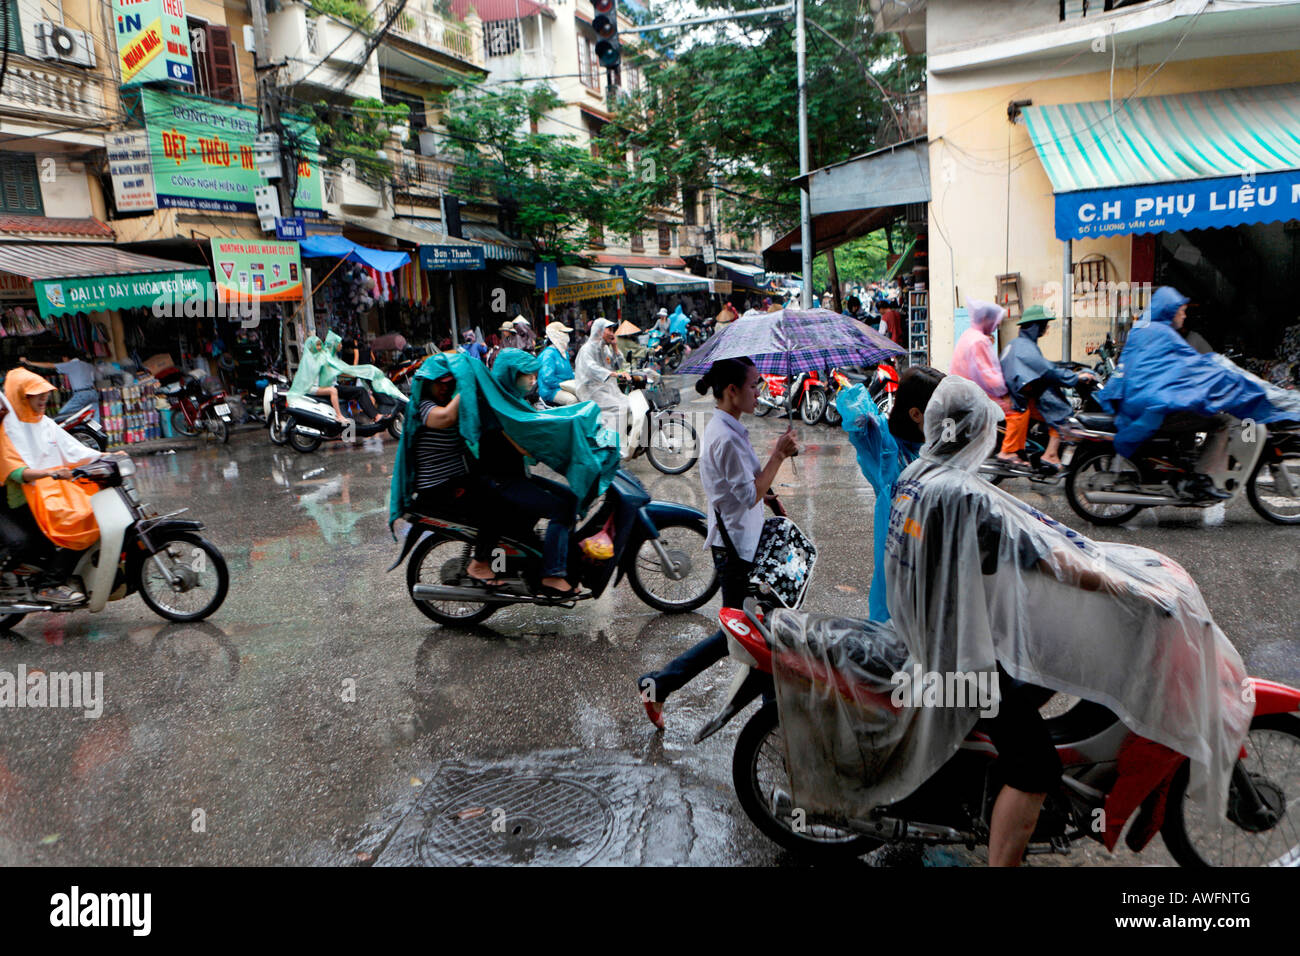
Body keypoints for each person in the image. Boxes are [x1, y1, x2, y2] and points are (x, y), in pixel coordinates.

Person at [882, 375, 1250, 864]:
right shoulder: (963, 495)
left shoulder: (920, 476)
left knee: (1048, 658)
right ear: (974, 431)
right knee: (1035, 768)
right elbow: (1052, 559)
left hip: (932, 638)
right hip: (962, 664)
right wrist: (1127, 587)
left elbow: (1025, 544)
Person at [637, 358, 800, 728]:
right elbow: (746, 495)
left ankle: (771, 712)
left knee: (753, 628)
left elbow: (749, 486)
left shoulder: (731, 428)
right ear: (732, 391)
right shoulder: (725, 436)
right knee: (744, 630)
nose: (759, 392)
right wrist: (778, 454)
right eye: (754, 385)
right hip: (736, 551)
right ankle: (661, 685)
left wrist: (771, 495)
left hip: (745, 543)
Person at [1095, 286, 1292, 499]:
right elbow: (1195, 365)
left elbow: (1170, 368)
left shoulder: (1143, 329)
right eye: (1181, 311)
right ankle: (1201, 478)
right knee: (1221, 421)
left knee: (1195, 412)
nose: (1185, 315)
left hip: (1134, 404)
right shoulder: (1165, 335)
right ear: (1169, 310)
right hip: (1152, 409)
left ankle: (1185, 466)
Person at [836, 366, 945, 622]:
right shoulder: (885, 447)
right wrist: (860, 409)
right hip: (898, 563)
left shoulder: (926, 447)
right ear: (916, 414)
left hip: (928, 560)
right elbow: (856, 420)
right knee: (899, 640)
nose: (945, 418)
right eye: (940, 411)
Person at [0, 368, 106, 604]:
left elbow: (73, 449)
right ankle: (49, 586)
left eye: (45, 393)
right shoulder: (7, 428)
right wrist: (51, 472)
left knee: (92, 513)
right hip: (20, 501)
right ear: (20, 396)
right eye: (36, 394)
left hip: (48, 492)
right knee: (74, 524)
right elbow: (16, 471)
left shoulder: (43, 422)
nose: (44, 398)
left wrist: (106, 458)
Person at [407, 357, 503, 587]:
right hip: (438, 488)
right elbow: (447, 417)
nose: (444, 387)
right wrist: (468, 385)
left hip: (458, 479)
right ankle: (479, 563)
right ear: (428, 384)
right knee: (498, 504)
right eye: (439, 383)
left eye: (449, 383)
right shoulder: (424, 407)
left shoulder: (447, 401)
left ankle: (501, 566)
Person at [996, 304, 1097, 472]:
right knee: (1063, 413)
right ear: (1037, 326)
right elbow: (1047, 371)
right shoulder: (1026, 347)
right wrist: (1075, 377)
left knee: (1053, 410)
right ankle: (1049, 455)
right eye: (1044, 325)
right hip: (1020, 396)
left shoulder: (1018, 344)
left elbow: (1042, 366)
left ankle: (1041, 451)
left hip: (1018, 393)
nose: (1046, 328)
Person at [574, 317, 632, 445]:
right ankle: (612, 445)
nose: (612, 333)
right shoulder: (586, 349)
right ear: (599, 331)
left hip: (606, 388)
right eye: (609, 330)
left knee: (629, 403)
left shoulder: (605, 349)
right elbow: (591, 369)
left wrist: (615, 347)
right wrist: (613, 374)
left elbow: (619, 366)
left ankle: (619, 437)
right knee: (619, 408)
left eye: (613, 330)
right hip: (591, 391)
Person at [950, 298, 1012, 412]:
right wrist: (1005, 393)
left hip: (961, 395)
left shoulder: (968, 334)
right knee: (1017, 410)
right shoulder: (979, 340)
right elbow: (990, 378)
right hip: (973, 400)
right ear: (985, 319)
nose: (995, 326)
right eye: (994, 322)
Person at [21, 352, 99, 422]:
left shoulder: (71, 364)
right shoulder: (87, 365)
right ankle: (97, 435)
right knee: (94, 417)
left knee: (61, 415)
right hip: (93, 392)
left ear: (65, 358)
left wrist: (30, 363)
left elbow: (50, 365)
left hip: (81, 394)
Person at [288, 335, 351, 422]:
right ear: (311, 346)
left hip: (318, 386)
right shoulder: (308, 359)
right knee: (333, 390)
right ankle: (339, 415)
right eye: (317, 345)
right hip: (310, 388)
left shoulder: (319, 357)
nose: (319, 347)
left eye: (320, 345)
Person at [537, 321, 578, 406]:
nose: (566, 336)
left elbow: (569, 373)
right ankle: (568, 419)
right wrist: (563, 384)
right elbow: (548, 379)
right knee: (572, 400)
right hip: (550, 390)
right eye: (564, 333)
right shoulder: (548, 354)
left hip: (566, 387)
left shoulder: (564, 353)